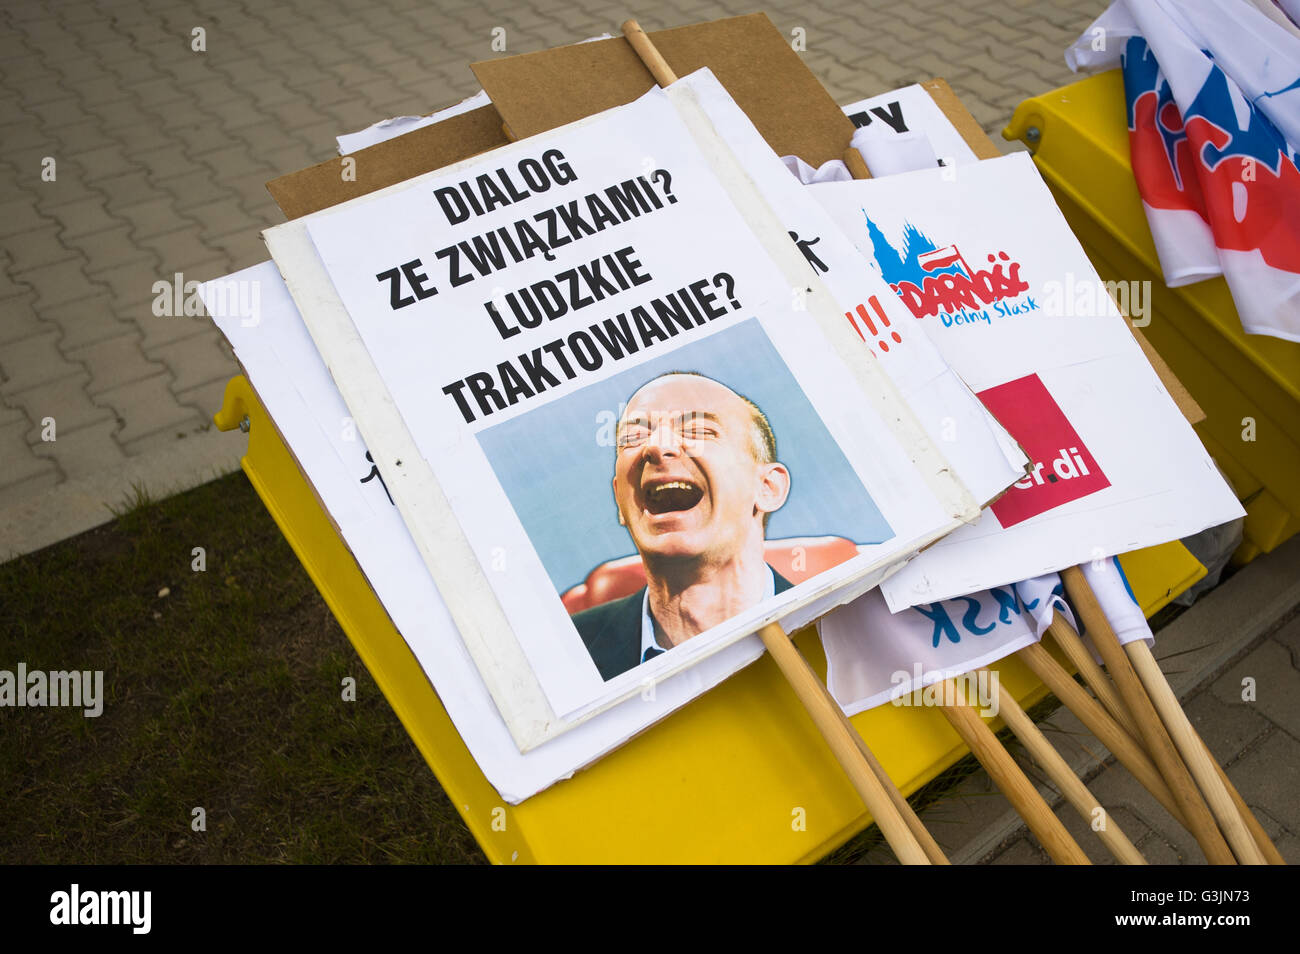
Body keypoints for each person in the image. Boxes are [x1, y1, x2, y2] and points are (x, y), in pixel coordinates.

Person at [572, 371, 793, 680]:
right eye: (633, 438)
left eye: (699, 430)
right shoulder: (567, 658)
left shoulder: (841, 625)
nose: (656, 447)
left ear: (768, 487)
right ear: (620, 500)